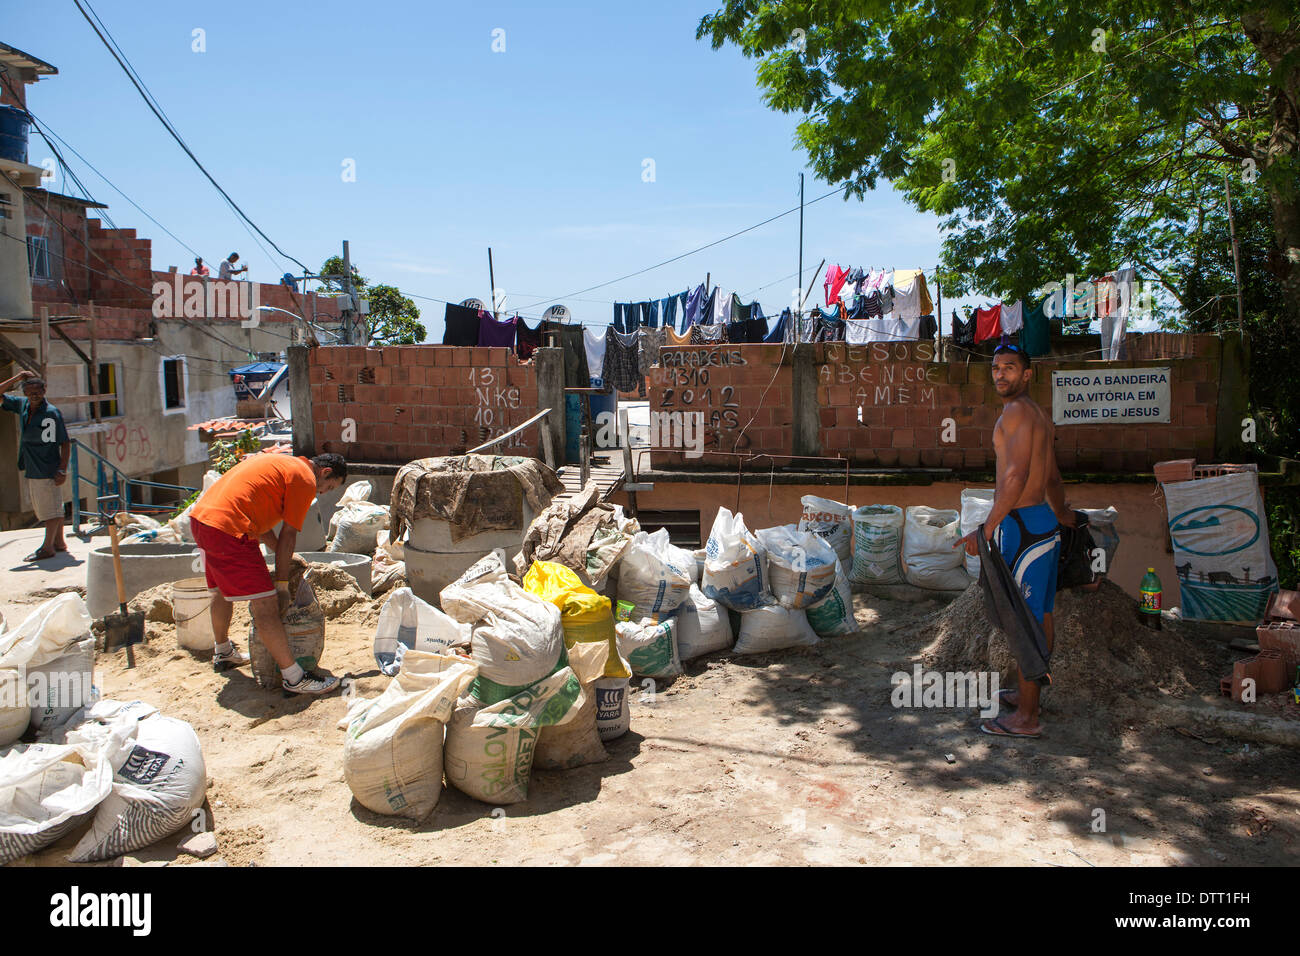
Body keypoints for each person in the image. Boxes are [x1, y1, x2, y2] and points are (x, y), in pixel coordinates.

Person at [956, 344, 1074, 738]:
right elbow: (1052, 478)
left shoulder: (1016, 412)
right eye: (996, 368)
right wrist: (1063, 515)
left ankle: (1027, 718)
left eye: (1010, 368)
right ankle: (1029, 693)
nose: (1000, 375)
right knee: (1039, 613)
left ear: (1027, 374)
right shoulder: (1040, 416)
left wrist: (985, 530)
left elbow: (1015, 478)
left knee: (1024, 621)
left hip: (1022, 527)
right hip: (1040, 523)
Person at [188, 451, 347, 694]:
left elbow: (264, 529)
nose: (322, 492)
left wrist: (287, 558)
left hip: (203, 520)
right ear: (325, 472)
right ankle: (294, 678)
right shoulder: (304, 478)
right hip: (231, 529)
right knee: (266, 604)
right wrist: (282, 584)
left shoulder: (280, 463)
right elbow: (289, 534)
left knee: (220, 589)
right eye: (329, 486)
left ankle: (223, 652)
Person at [1, 370, 70, 562]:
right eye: (30, 391)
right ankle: (59, 543)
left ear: (44, 391)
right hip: (32, 466)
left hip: (47, 467)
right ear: (24, 393)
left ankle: (47, 548)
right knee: (47, 506)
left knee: (51, 510)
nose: (34, 395)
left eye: (37, 391)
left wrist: (62, 469)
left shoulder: (51, 413)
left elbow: (65, 443)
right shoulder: (23, 406)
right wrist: (16, 378)